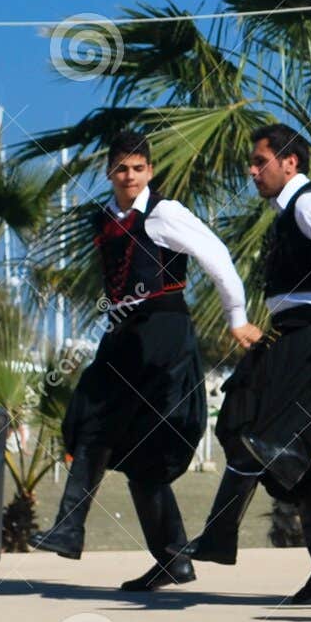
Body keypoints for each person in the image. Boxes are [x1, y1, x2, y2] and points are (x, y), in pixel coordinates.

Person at [32, 130, 258, 591]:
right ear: (109, 172)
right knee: (93, 422)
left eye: (137, 168)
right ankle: (104, 538)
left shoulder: (165, 213)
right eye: (121, 168)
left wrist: (237, 318)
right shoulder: (103, 218)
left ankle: (152, 552)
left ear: (150, 171)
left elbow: (216, 257)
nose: (129, 176)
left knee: (142, 449)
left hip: (164, 336)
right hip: (123, 337)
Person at [182, 124, 311, 602]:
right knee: (247, 424)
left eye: (260, 162)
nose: (253, 172)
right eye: (252, 164)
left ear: (290, 162)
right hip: (294, 331)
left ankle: (220, 535)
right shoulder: (292, 211)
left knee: (262, 434)